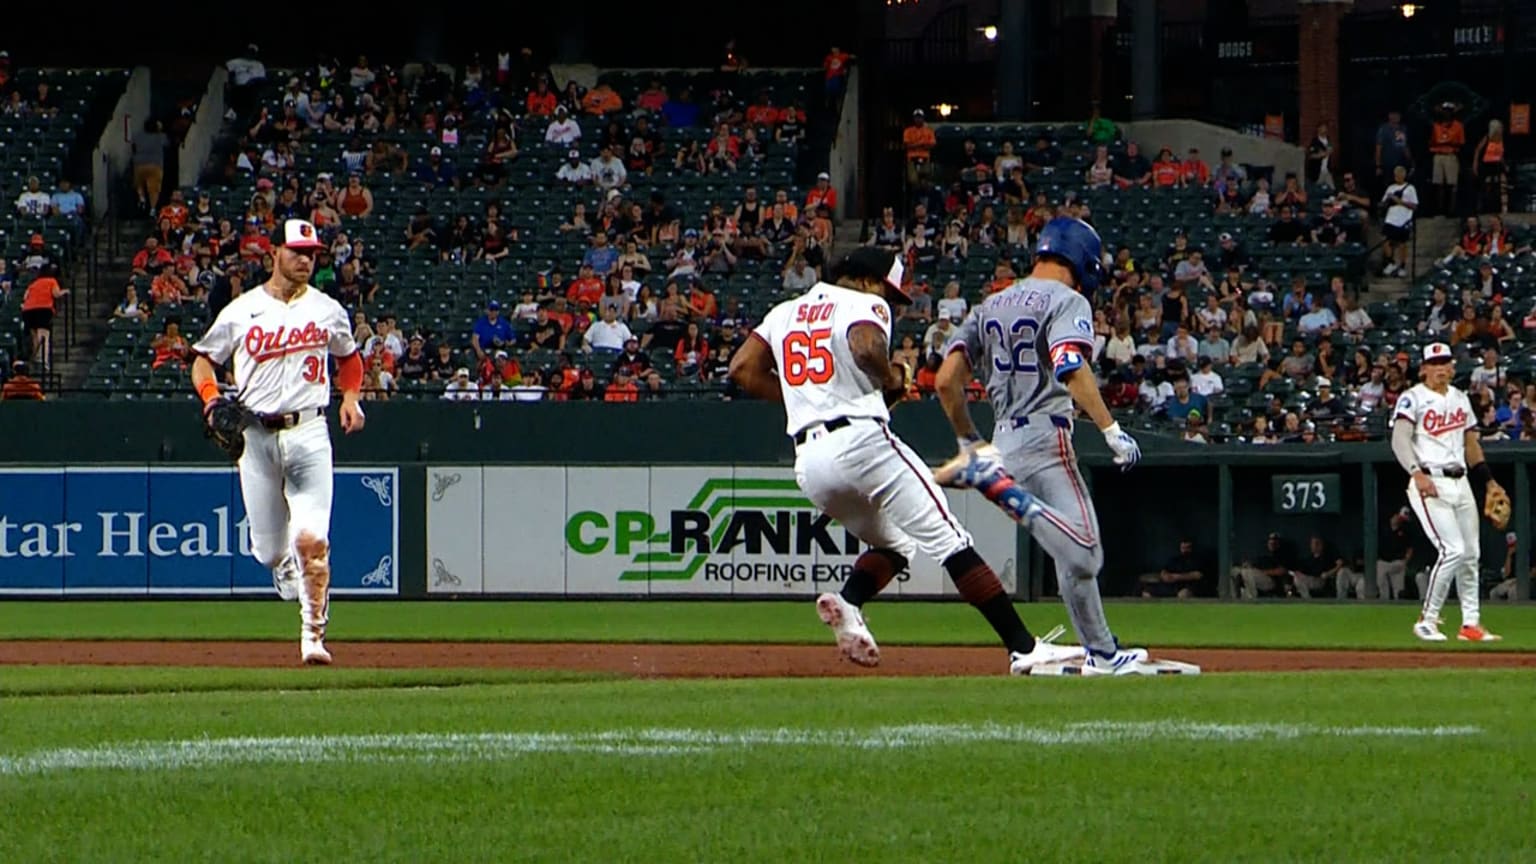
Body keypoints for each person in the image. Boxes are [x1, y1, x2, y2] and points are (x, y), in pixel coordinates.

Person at [727, 247, 1082, 675]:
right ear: (866, 279)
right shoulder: (863, 302)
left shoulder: (785, 311)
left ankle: (849, 602)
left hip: (810, 460)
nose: (888, 302)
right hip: (861, 441)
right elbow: (864, 346)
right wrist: (893, 377)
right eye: (887, 291)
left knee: (897, 543)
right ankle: (1024, 649)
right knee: (951, 538)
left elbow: (742, 369)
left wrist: (809, 401)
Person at [931, 217, 1154, 675]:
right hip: (1046, 434)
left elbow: (945, 380)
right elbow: (1070, 365)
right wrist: (1111, 428)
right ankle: (998, 487)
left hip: (1003, 436)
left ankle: (1103, 652)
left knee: (1069, 554)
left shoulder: (990, 303)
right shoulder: (1067, 299)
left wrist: (967, 439)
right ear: (1083, 259)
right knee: (1087, 552)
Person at [190, 219, 368, 665]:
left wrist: (350, 397)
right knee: (269, 550)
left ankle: (313, 636)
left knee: (312, 540)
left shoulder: (327, 309)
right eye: (297, 251)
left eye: (312, 252)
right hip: (255, 434)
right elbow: (202, 361)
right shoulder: (241, 310)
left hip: (309, 430)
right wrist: (212, 401)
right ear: (275, 253)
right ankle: (282, 566)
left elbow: (349, 358)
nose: (306, 259)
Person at [1393, 342, 1502, 642]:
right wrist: (1415, 472)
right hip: (1429, 480)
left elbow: (1470, 443)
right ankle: (1427, 620)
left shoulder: (1460, 398)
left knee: (1470, 554)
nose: (1441, 368)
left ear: (1453, 367)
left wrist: (1489, 480)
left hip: (1461, 480)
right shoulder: (1412, 398)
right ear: (1424, 368)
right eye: (1435, 363)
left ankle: (1471, 624)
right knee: (1452, 549)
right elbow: (1399, 440)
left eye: (1445, 362)